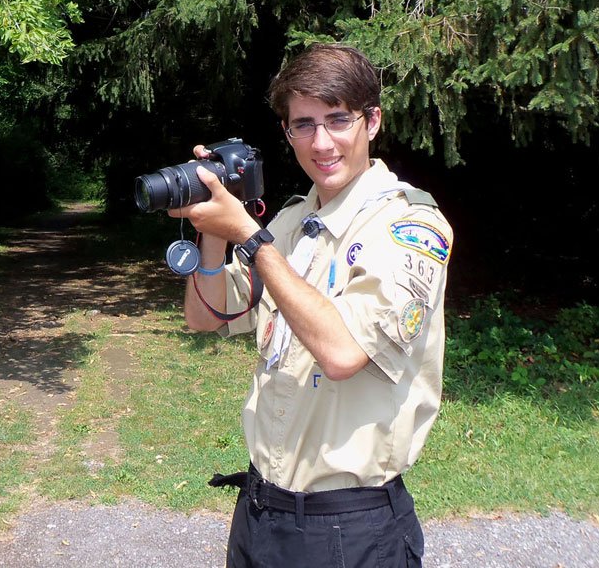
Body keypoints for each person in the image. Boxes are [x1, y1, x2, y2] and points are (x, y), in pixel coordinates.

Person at [168, 43, 452, 568]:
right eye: (303, 124)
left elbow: (343, 353)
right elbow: (205, 314)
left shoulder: (408, 227)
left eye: (337, 119)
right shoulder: (293, 222)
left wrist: (250, 237)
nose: (321, 142)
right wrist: (211, 230)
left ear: (372, 121)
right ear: (287, 133)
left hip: (349, 529)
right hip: (260, 513)